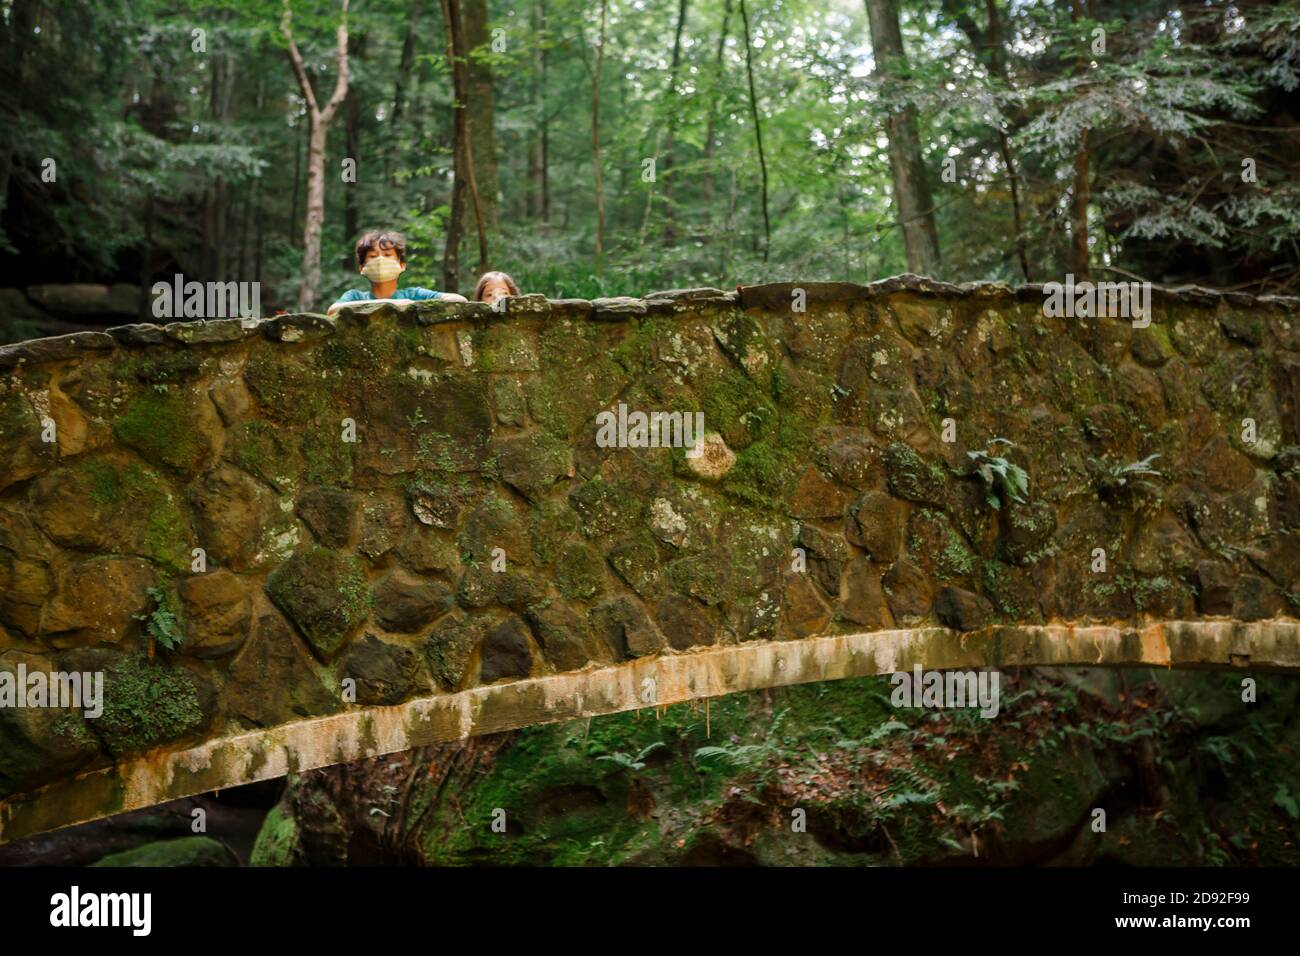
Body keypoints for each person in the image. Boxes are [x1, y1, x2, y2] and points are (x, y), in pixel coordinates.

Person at [327, 230, 467, 314]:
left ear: (402, 265)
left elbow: (459, 300)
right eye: (373, 256)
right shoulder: (355, 296)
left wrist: (411, 304)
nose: (380, 260)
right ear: (361, 268)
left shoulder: (414, 295)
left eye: (387, 255)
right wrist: (392, 305)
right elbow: (333, 310)